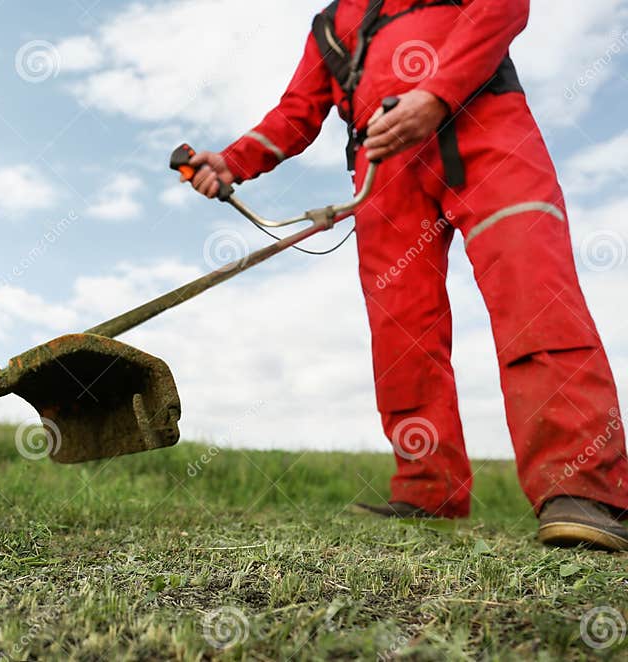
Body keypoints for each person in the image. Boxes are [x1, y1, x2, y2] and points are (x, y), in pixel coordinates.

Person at [184, 0, 628, 550]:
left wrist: (437, 94)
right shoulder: (328, 25)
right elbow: (296, 113)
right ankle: (427, 489)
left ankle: (582, 490)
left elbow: (505, 6)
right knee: (401, 334)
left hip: (487, 129)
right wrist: (233, 161)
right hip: (383, 169)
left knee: (533, 292)